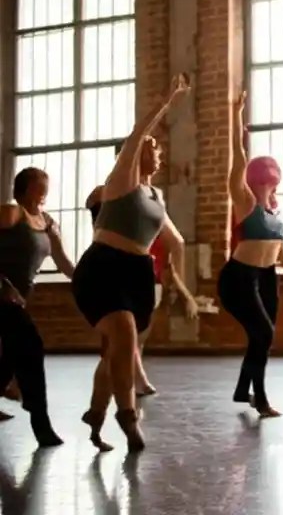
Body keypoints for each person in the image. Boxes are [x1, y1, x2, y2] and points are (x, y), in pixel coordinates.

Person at [72, 74, 196, 452]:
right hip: (103, 268)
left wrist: (184, 289)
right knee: (124, 336)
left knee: (117, 352)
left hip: (138, 274)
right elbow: (141, 130)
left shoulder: (156, 196)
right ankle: (127, 416)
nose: (158, 150)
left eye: (156, 146)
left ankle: (95, 413)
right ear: (137, 151)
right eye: (152, 146)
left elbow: (177, 242)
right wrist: (169, 96)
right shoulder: (121, 180)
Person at [86, 150, 198, 398]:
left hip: (146, 270)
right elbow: (97, 216)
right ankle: (120, 393)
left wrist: (176, 282)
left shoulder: (153, 198)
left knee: (137, 334)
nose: (158, 156)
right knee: (119, 337)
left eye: (159, 152)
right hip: (115, 268)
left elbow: (176, 242)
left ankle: (129, 383)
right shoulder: (111, 191)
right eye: (151, 152)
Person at [220, 92, 283, 418]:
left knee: (261, 337)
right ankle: (261, 400)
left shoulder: (276, 214)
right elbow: (236, 157)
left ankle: (243, 391)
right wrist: (237, 117)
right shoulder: (244, 201)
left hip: (267, 277)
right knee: (263, 333)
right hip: (239, 277)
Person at [0, 167, 78, 446]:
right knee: (31, 345)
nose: (45, 189)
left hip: (19, 298)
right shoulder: (12, 213)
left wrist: (87, 278)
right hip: (2, 295)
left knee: (10, 357)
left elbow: (63, 261)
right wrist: (3, 284)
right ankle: (40, 422)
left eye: (47, 184)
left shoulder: (46, 222)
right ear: (24, 188)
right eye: (39, 184)